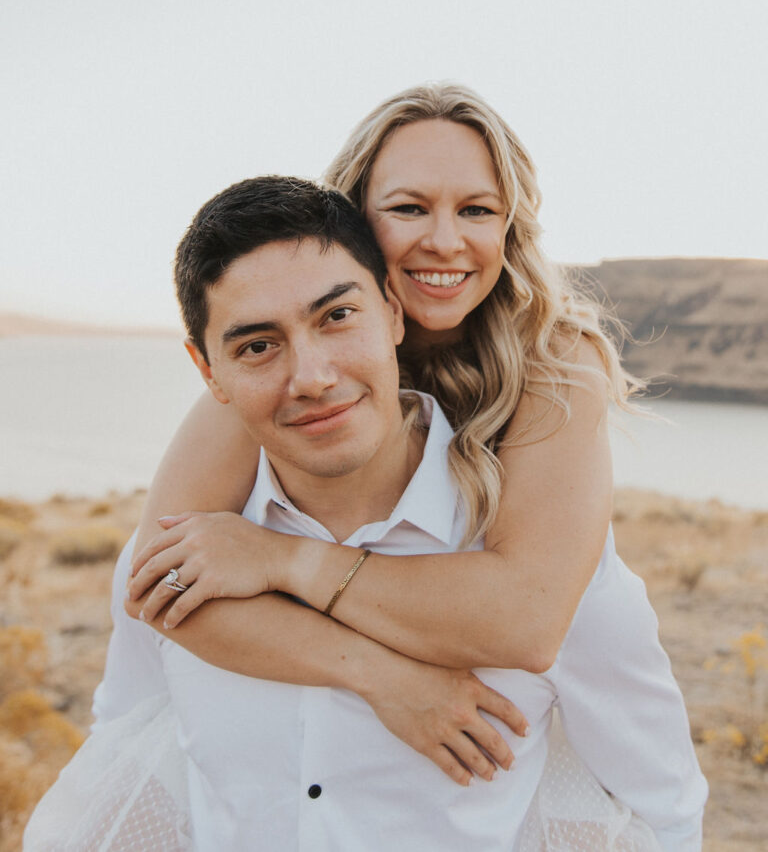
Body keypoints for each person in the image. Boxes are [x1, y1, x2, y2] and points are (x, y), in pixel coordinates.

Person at [27, 176, 705, 851]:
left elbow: (664, 811)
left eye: (337, 317)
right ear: (209, 373)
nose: (312, 377)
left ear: (394, 313)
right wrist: (381, 675)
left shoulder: (551, 568)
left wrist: (287, 565)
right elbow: (123, 747)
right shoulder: (179, 559)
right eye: (257, 346)